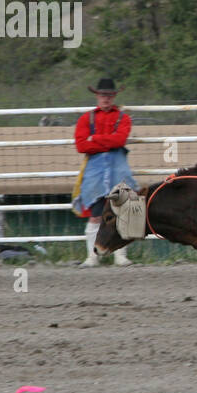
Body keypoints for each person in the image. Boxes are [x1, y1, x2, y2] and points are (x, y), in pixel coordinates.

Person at [73, 77, 134, 266]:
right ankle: (93, 256)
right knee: (96, 214)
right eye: (102, 95)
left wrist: (95, 140)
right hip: (97, 174)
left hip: (115, 171)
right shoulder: (86, 118)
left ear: (114, 96)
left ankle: (120, 256)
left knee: (124, 210)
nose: (105, 98)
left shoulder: (123, 118)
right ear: (97, 96)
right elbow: (81, 145)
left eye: (109, 95)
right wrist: (108, 140)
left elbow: (120, 141)